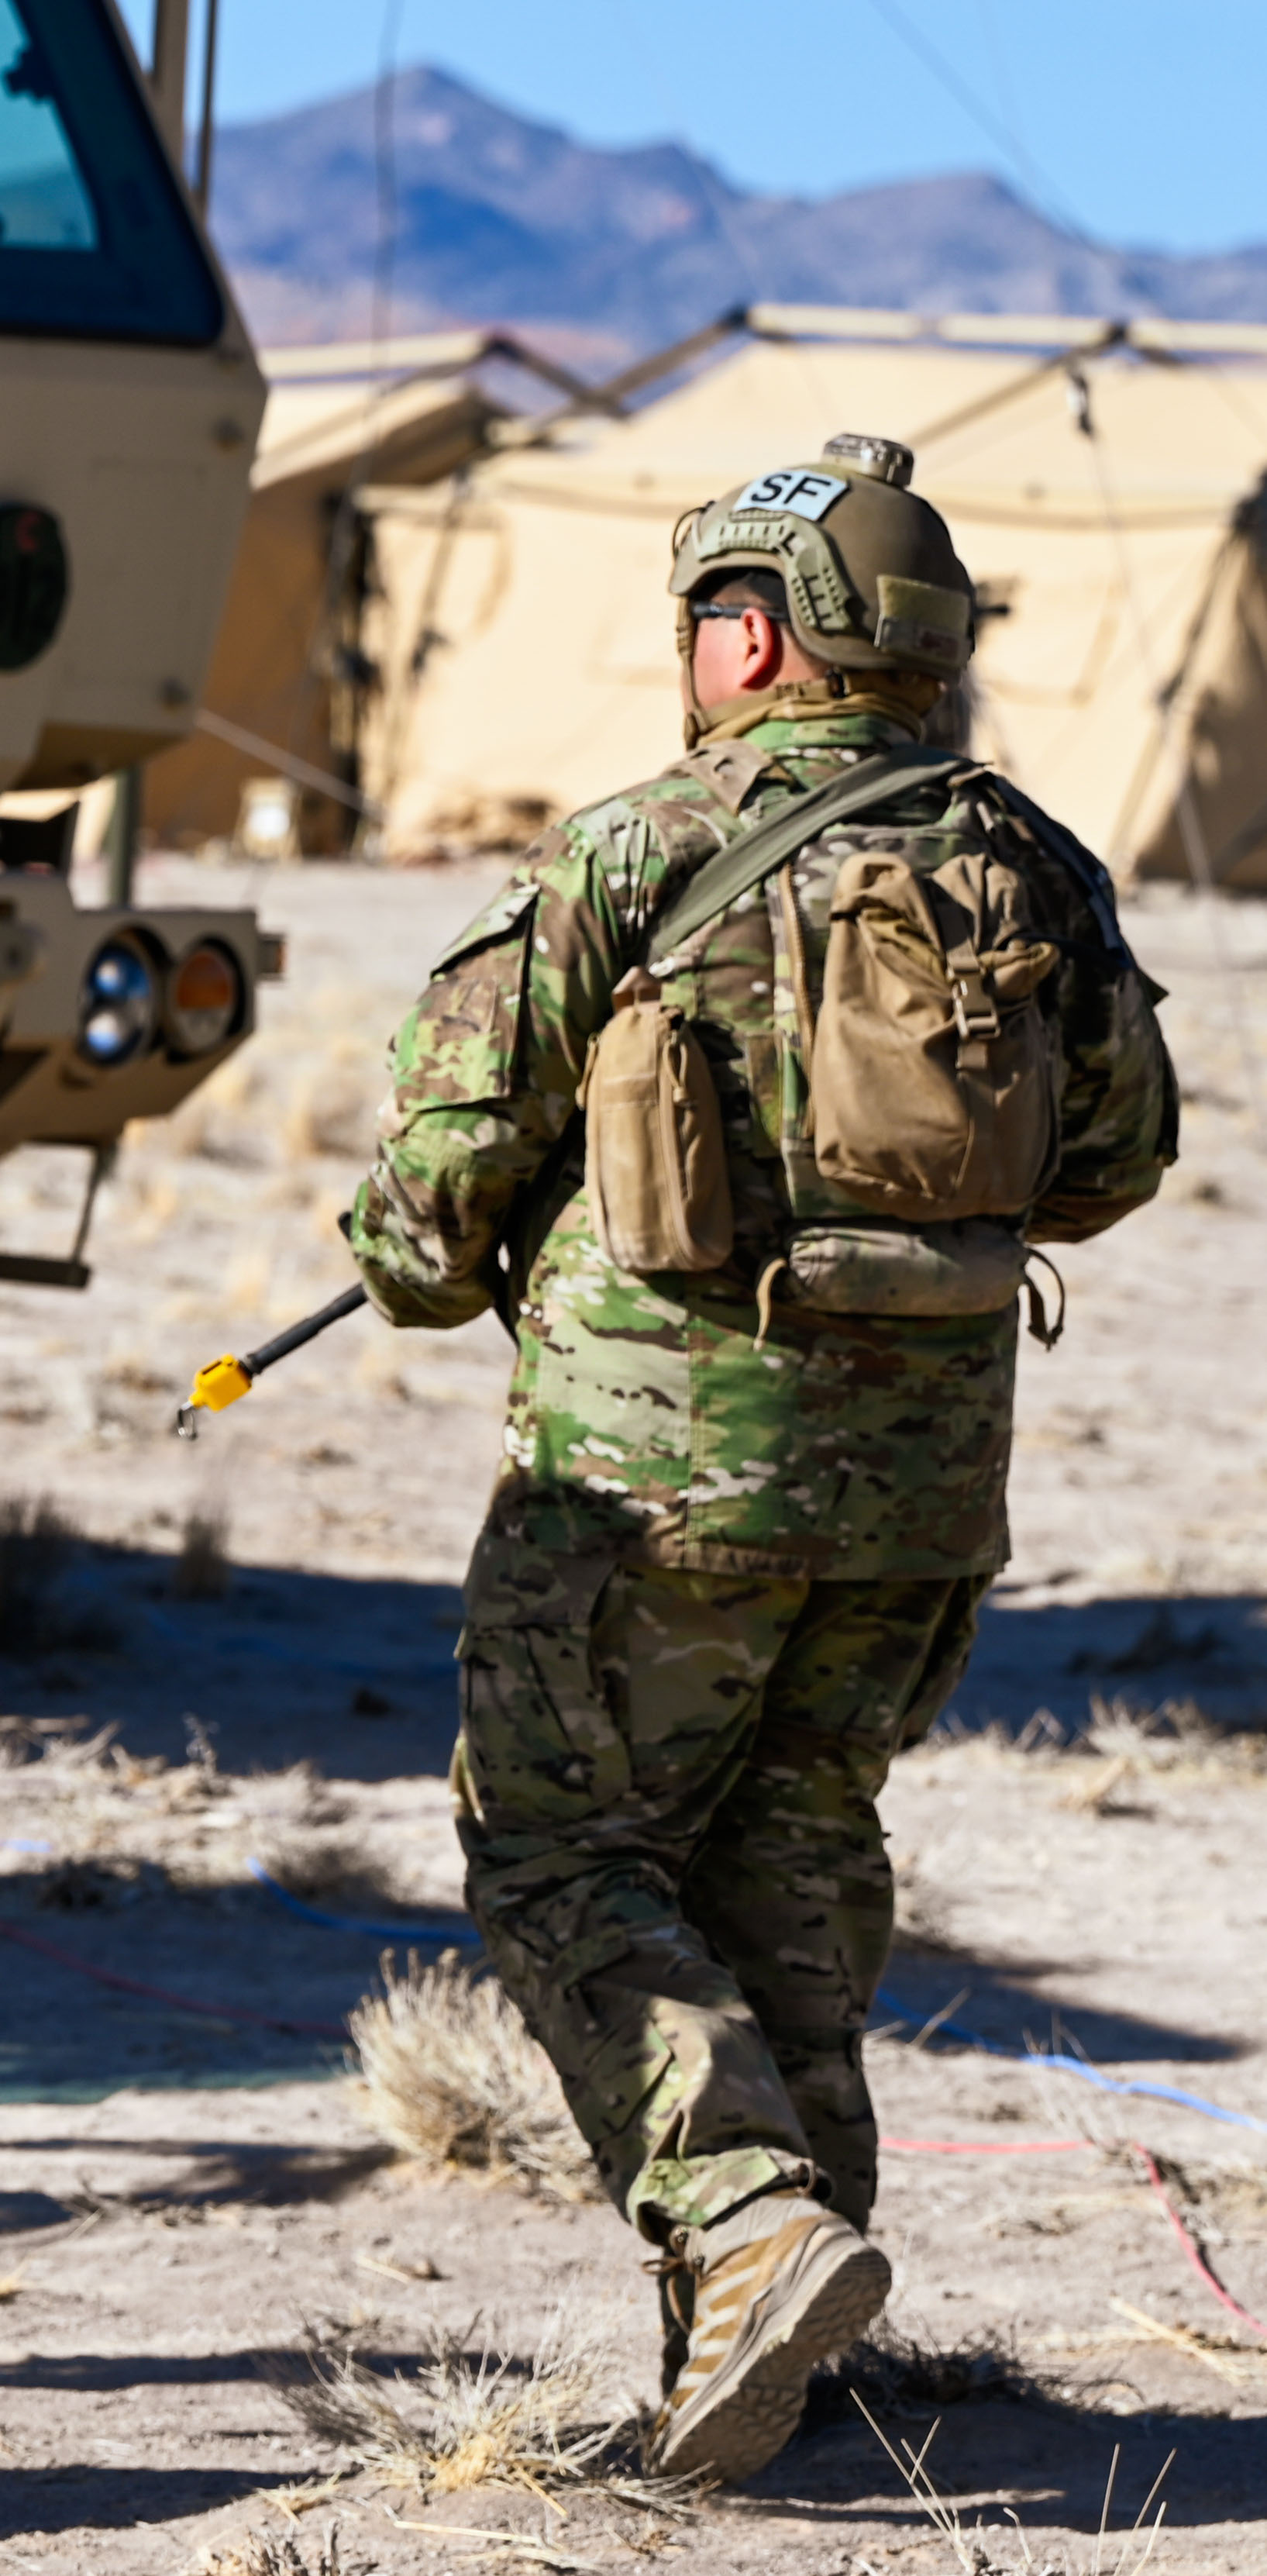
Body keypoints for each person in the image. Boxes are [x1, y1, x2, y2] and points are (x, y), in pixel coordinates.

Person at [343, 433, 1176, 2484]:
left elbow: (430, 1201)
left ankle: (740, 2221)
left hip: (652, 1485)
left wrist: (423, 1237)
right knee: (794, 1846)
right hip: (914, 1497)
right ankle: (793, 2347)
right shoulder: (1032, 862)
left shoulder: (629, 851)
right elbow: (1120, 1155)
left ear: (748, 635)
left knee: (561, 1853)